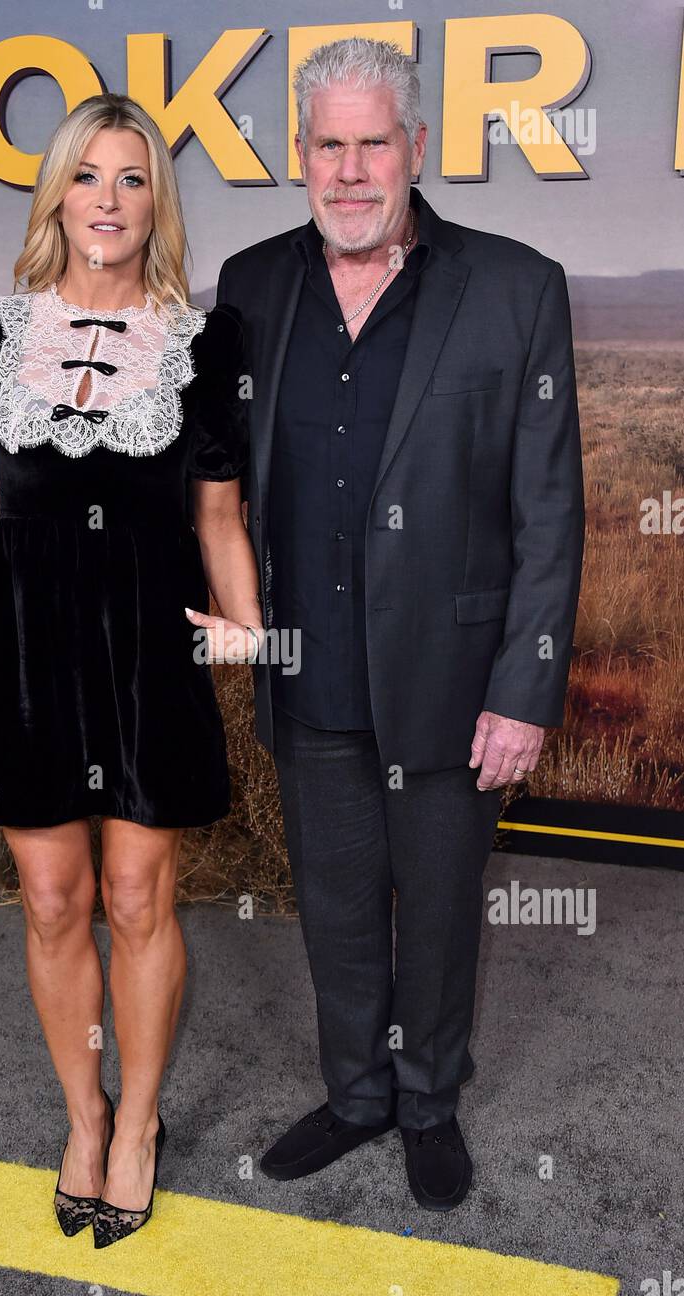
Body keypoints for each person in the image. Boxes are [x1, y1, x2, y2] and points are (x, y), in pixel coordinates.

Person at [216, 37, 585, 1210]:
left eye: (376, 142)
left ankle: (426, 1100)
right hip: (307, 670)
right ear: (301, 156)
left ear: (417, 148)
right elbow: (219, 481)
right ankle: (356, 1094)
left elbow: (550, 511)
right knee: (330, 903)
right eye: (330, 144)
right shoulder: (252, 283)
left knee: (435, 912)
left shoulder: (517, 286)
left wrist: (524, 692)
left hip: (453, 676)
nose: (353, 169)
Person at [0, 93, 263, 1246]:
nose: (108, 200)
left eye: (131, 179)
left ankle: (140, 1125)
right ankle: (83, 1113)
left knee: (136, 897)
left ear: (155, 201)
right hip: (27, 653)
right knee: (57, 899)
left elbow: (221, 512)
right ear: (57, 194)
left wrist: (246, 622)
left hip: (146, 658)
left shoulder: (201, 343)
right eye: (88, 176)